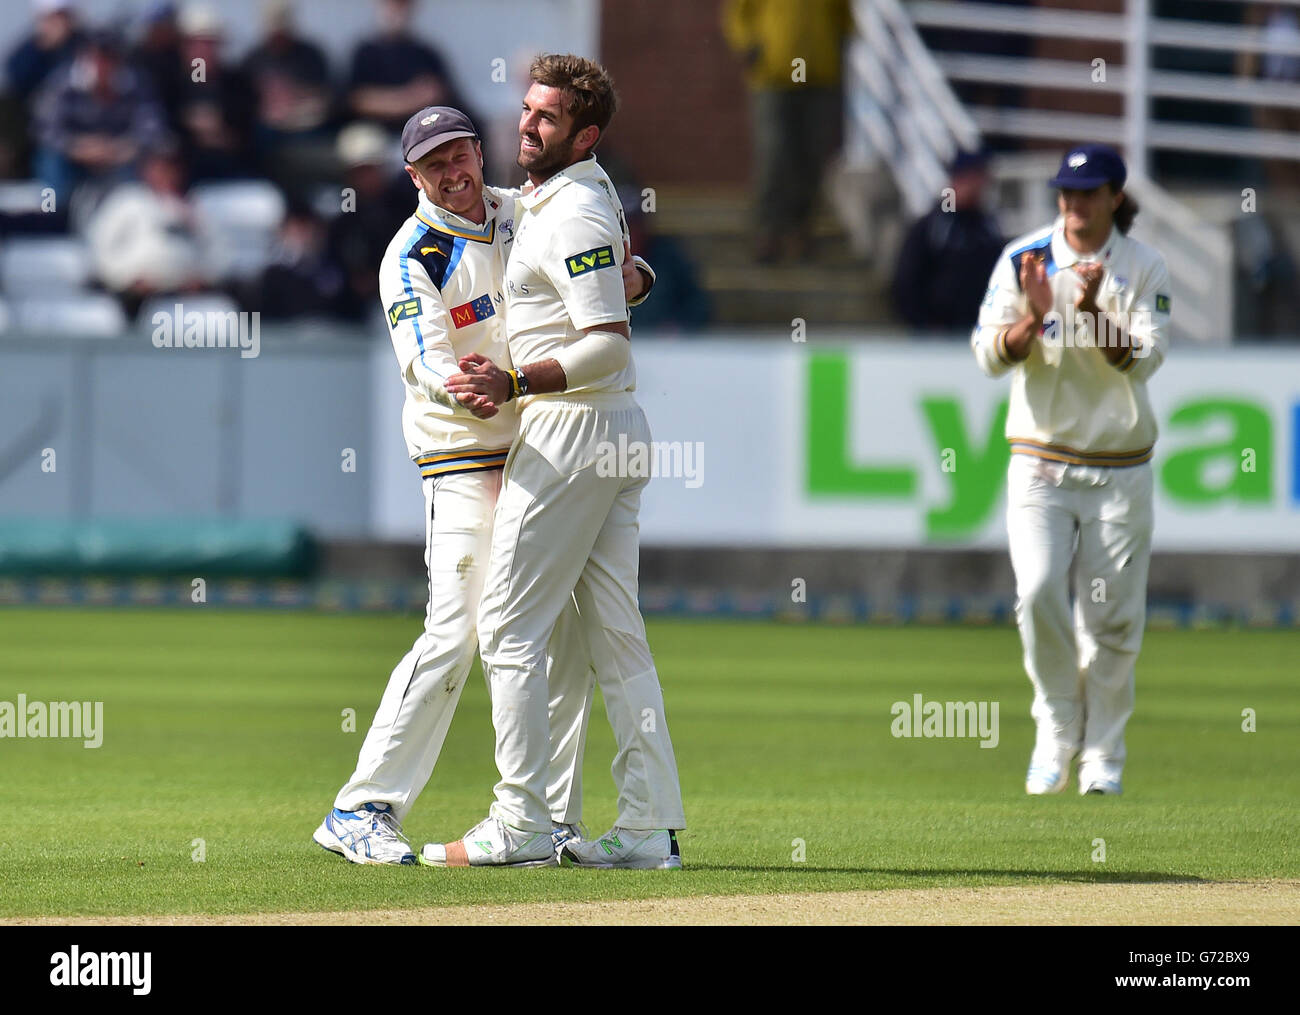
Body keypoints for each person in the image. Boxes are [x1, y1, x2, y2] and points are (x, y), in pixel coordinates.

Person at [312, 105, 655, 865]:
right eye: (435, 165)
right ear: (414, 176)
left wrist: (639, 277)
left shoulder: (521, 207)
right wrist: (457, 387)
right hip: (464, 458)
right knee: (461, 627)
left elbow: (594, 267)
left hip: (541, 445)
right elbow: (422, 356)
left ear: (477, 149)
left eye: (461, 154)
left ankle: (551, 815)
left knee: (555, 636)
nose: (454, 173)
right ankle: (361, 806)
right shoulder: (411, 255)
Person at [423, 54, 686, 870]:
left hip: (571, 425)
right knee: (616, 633)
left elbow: (604, 346)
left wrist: (512, 379)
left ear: (586, 134)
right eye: (526, 108)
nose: (526, 124)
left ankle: (523, 821)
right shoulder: (578, 192)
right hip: (605, 431)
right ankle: (647, 824)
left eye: (545, 117)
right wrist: (634, 277)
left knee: (505, 624)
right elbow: (618, 283)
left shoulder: (572, 205)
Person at [972, 143, 1171, 797]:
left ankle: (1102, 756)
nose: (1074, 205)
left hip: (1120, 465)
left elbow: (1142, 361)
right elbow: (988, 355)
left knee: (1112, 620)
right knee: (1035, 592)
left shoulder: (1144, 267)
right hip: (1040, 460)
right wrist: (1032, 317)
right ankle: (1056, 731)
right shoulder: (1025, 258)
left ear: (1116, 196)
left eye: (1088, 194)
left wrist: (1088, 312)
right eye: (1065, 193)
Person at [722, 0, 850, 263]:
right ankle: (767, 231)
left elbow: (844, 18)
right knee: (774, 153)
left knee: (814, 155)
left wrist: (835, 46)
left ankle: (799, 229)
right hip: (774, 75)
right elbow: (738, 14)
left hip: (820, 77)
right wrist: (749, 44)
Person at [892, 150, 1004, 334]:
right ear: (959, 180)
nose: (982, 185)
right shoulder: (933, 226)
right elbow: (906, 281)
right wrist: (924, 323)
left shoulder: (987, 227)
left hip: (979, 332)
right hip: (937, 338)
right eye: (976, 177)